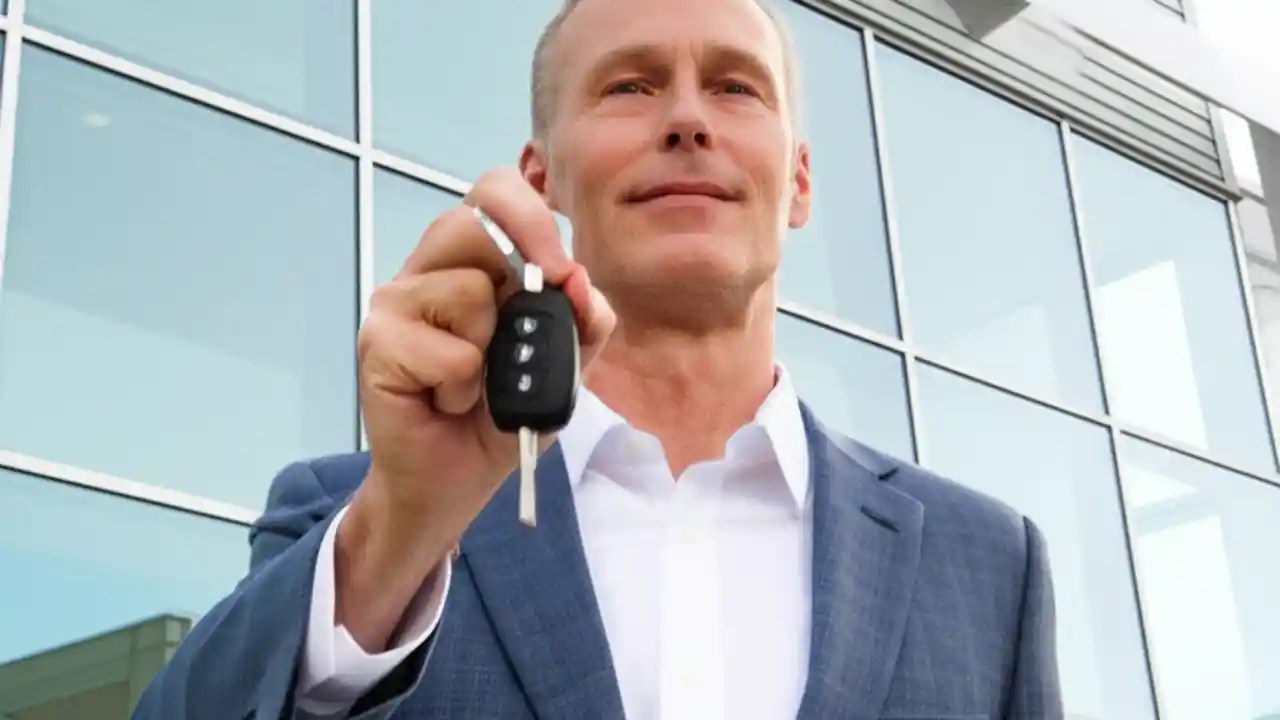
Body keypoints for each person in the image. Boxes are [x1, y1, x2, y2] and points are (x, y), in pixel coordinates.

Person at [135, 0, 1063, 717]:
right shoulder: (359, 522)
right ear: (541, 176)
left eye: (736, 88)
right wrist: (396, 533)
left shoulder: (990, 565)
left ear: (799, 180)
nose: (688, 119)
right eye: (630, 87)